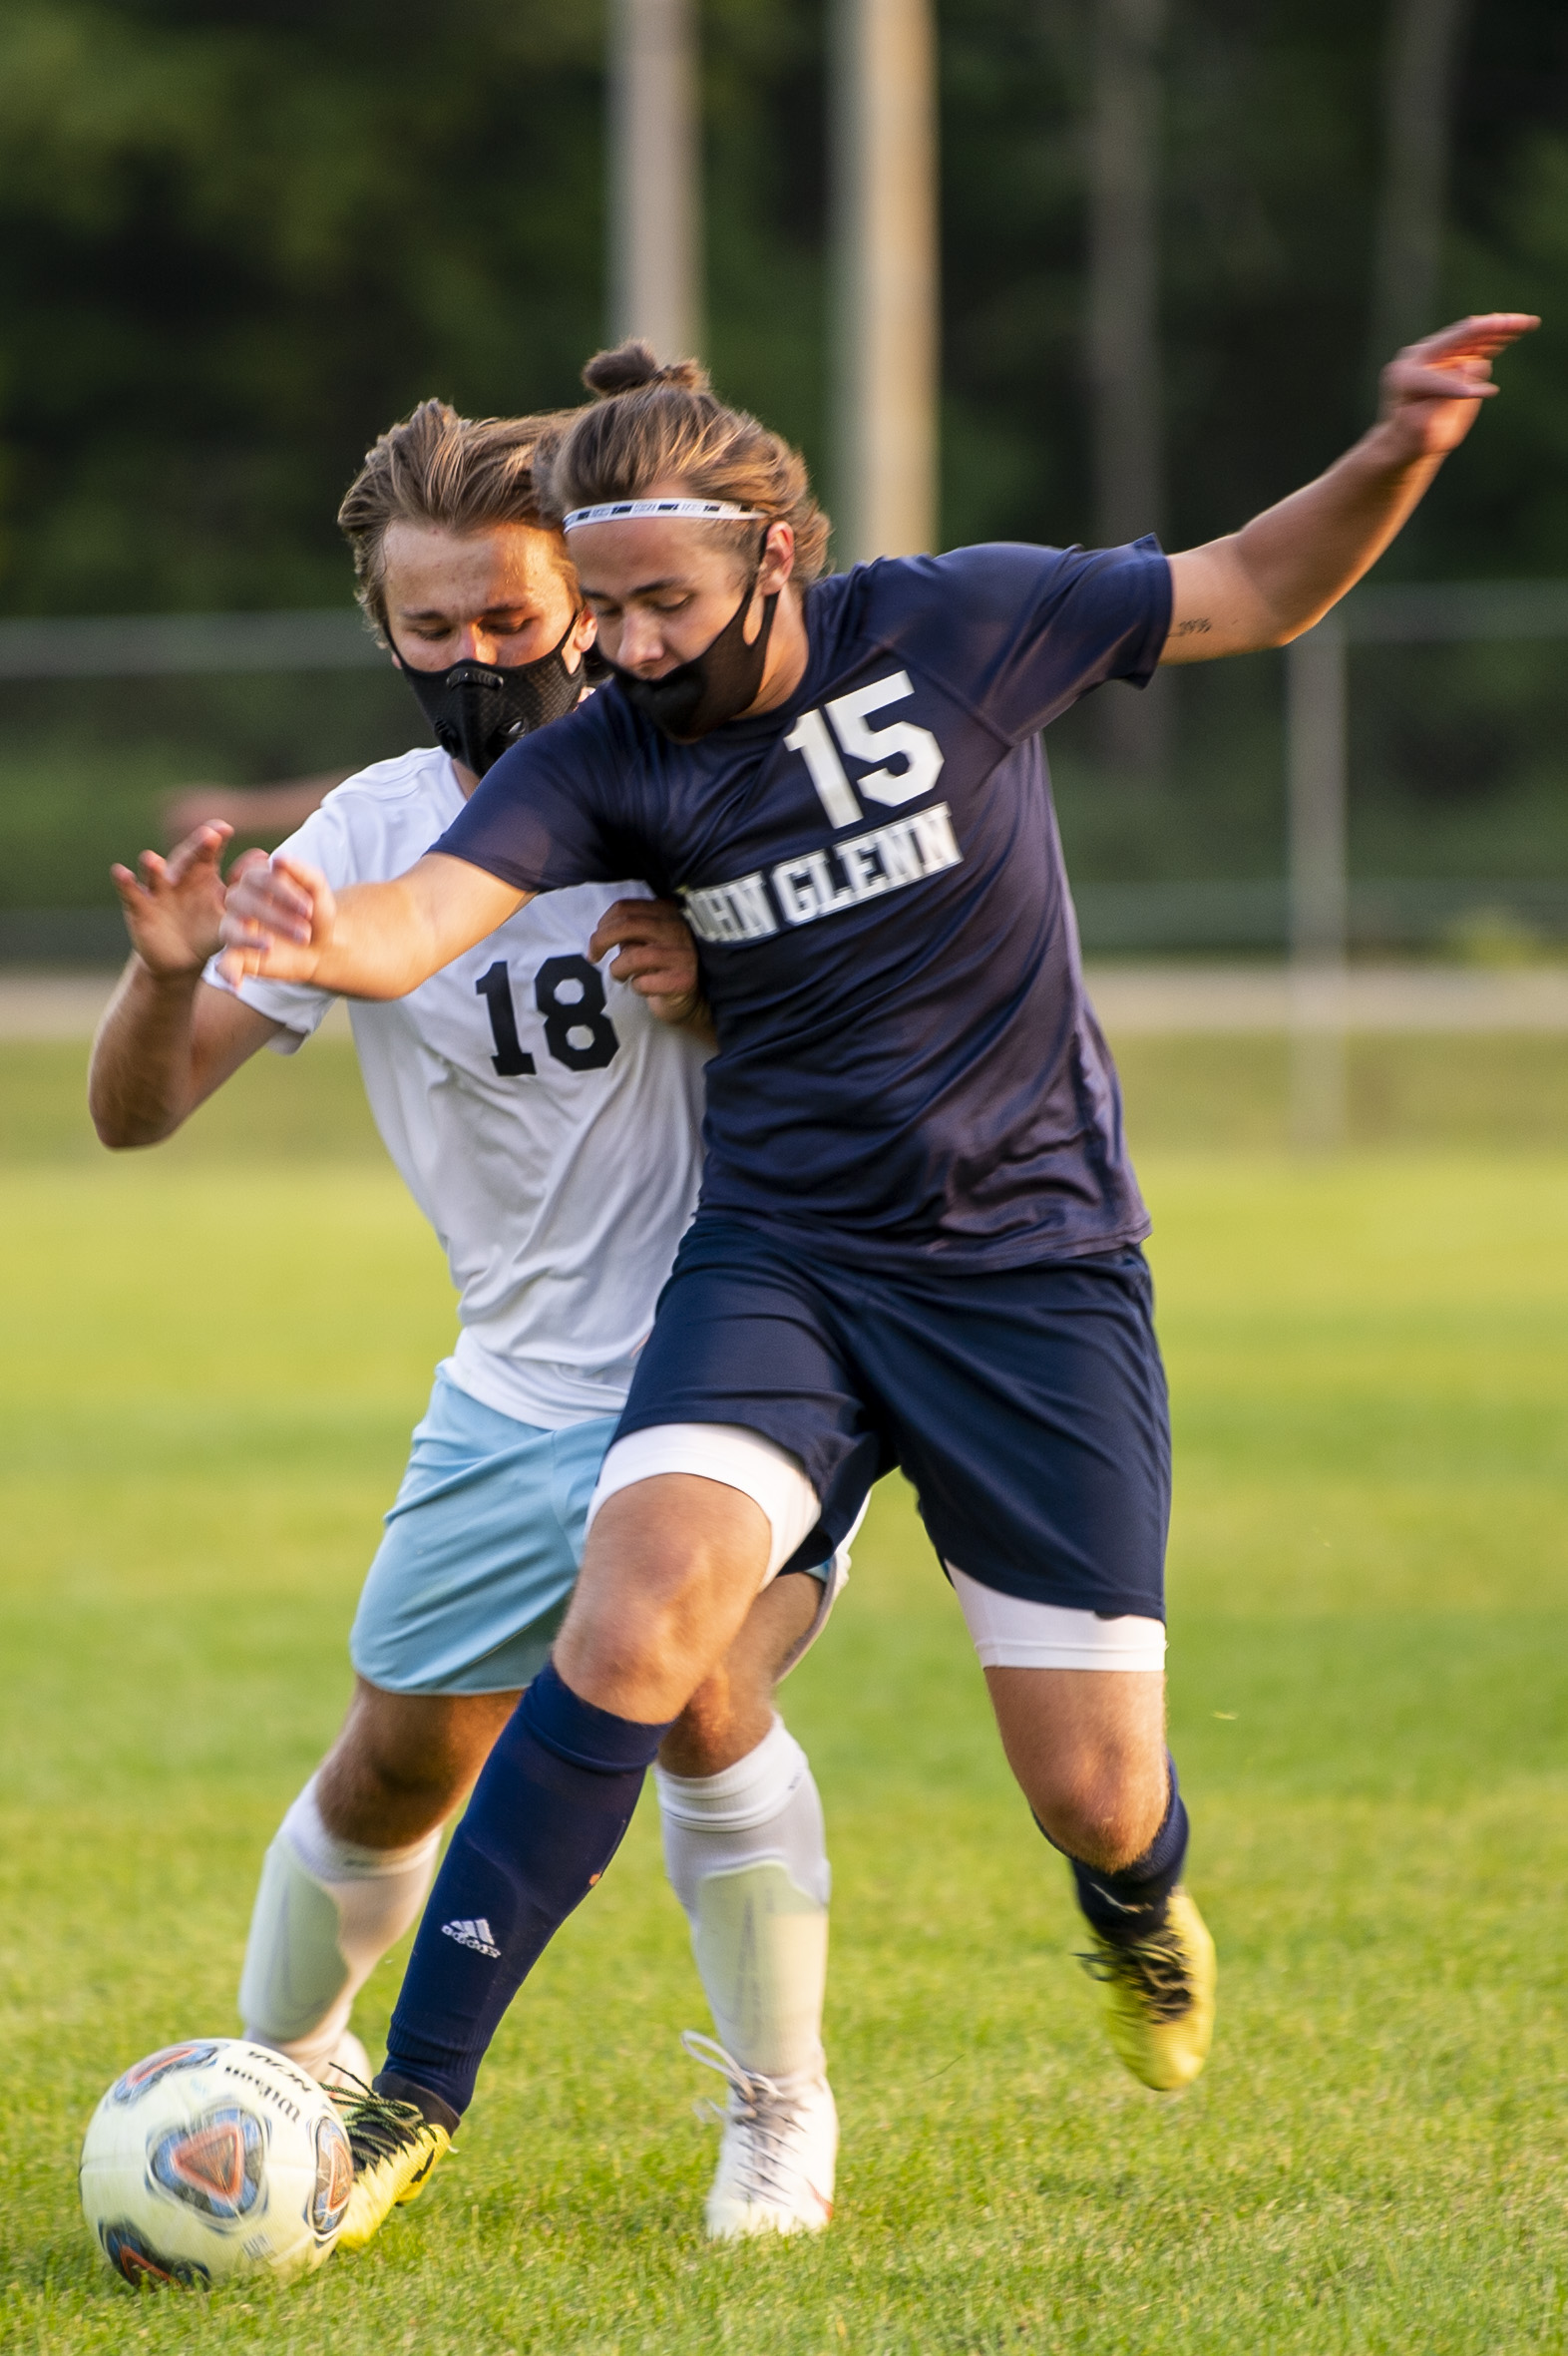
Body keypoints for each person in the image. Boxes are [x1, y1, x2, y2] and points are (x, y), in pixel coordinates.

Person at [218, 311, 1536, 2240]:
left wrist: (1401, 450)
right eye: (605, 612)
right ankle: (408, 2106)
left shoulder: (965, 627)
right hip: (788, 1264)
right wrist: (309, 938)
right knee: (638, 1628)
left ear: (777, 552)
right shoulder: (607, 753)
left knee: (1093, 1795)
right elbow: (428, 910)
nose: (631, 648)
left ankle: (1136, 1902)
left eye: (663, 603)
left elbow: (1256, 586)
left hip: (1035, 1275)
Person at [88, 397, 855, 2245]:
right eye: (431, 631)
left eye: (510, 622)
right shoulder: (369, 833)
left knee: (698, 1690)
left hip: (741, 1352)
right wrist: (164, 969)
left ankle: (779, 2111)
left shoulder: (725, 771)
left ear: (586, 597)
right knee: (399, 1760)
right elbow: (138, 1111)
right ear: (384, 630)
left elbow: (895, 1032)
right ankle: (272, 2094)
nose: (476, 660)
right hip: (511, 1388)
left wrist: (722, 992)